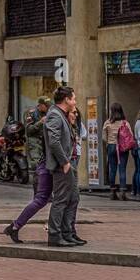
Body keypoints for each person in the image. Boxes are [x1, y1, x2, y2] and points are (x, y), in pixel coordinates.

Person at [6, 97, 53, 244]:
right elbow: (28, 130)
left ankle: (15, 226)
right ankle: (16, 226)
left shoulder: (54, 114)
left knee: (45, 199)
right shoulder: (32, 114)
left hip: (46, 160)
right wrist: (41, 122)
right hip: (39, 157)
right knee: (41, 199)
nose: (47, 108)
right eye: (45, 105)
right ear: (40, 106)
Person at [45, 86, 83, 247]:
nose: (75, 102)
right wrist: (64, 162)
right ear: (66, 99)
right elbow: (53, 141)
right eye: (73, 98)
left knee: (73, 198)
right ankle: (55, 235)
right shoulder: (54, 115)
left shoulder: (61, 115)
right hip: (62, 165)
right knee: (61, 199)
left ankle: (68, 232)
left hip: (69, 163)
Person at [102, 103, 134, 201]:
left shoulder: (107, 123)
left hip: (111, 147)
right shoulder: (125, 123)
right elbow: (131, 136)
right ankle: (123, 192)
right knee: (122, 169)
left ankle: (112, 192)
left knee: (112, 169)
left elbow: (104, 137)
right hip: (122, 148)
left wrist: (109, 142)